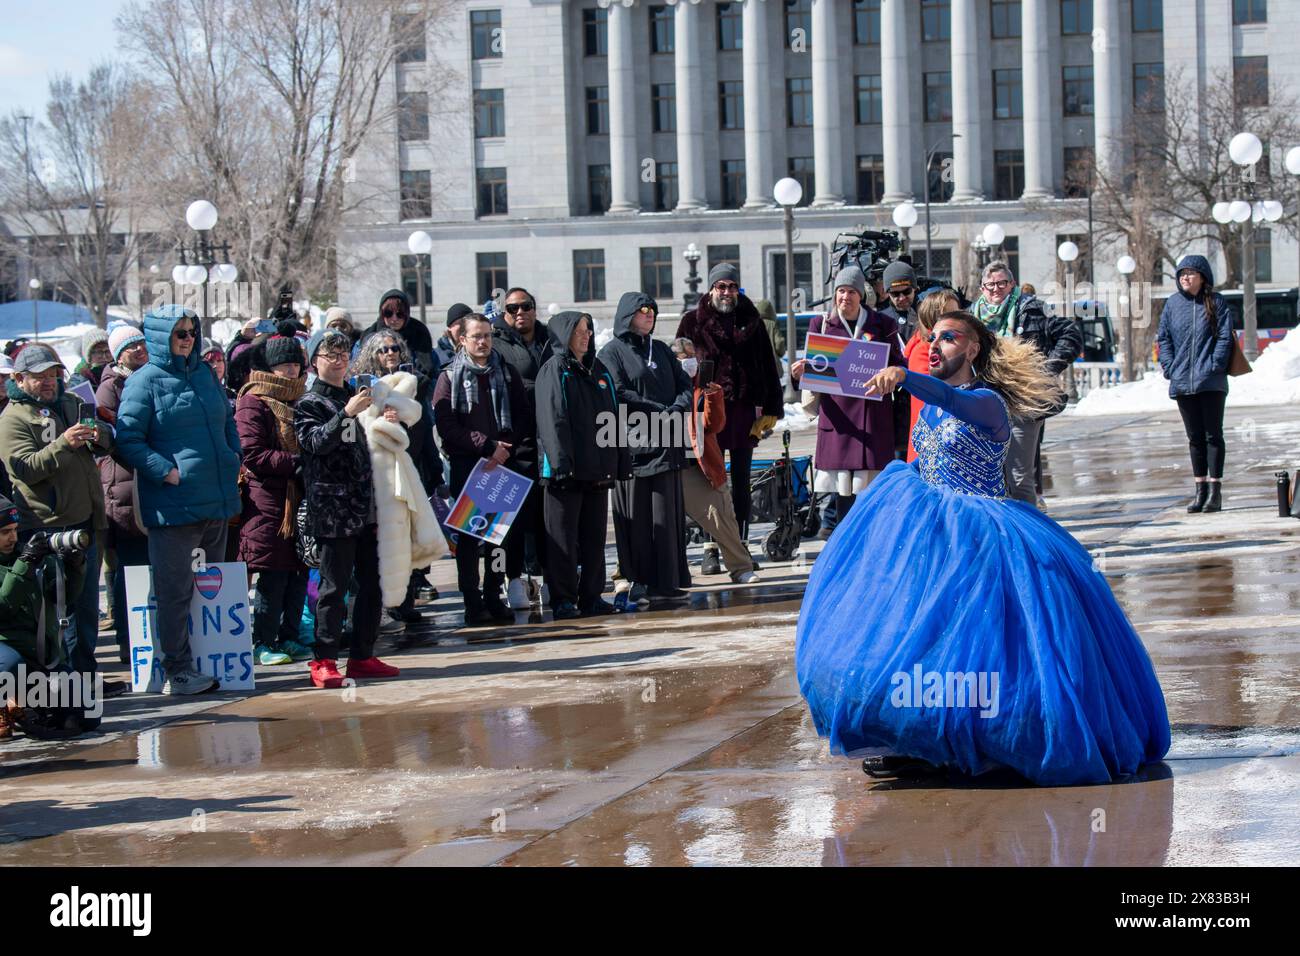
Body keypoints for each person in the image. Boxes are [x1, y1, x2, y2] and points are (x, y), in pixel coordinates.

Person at [796, 310, 1170, 786]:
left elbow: (950, 397)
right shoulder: (929, 405)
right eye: (931, 338)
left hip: (984, 535)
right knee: (916, 635)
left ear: (972, 349)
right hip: (930, 530)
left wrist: (905, 375)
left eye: (949, 339)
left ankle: (989, 737)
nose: (935, 345)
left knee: (983, 644)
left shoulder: (986, 402)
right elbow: (924, 456)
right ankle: (915, 740)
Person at [115, 306, 242, 696]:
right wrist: (165, 470)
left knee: (212, 591)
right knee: (174, 593)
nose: (187, 339)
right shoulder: (144, 382)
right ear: (159, 338)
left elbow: (226, 423)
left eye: (191, 331)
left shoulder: (205, 374)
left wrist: (231, 454)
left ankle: (214, 659)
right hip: (173, 508)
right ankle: (177, 668)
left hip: (215, 501)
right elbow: (127, 440)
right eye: (179, 334)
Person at [0, 343, 117, 690]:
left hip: (86, 519)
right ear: (21, 379)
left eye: (54, 375)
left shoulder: (69, 403)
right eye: (41, 377)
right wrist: (64, 443)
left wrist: (99, 435)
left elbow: (108, 443)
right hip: (48, 527)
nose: (50, 382)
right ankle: (65, 683)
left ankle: (86, 677)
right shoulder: (11, 419)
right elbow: (25, 468)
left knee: (86, 610)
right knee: (58, 610)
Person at [294, 329, 400, 687]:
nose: (339, 361)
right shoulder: (310, 401)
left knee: (372, 584)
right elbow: (313, 443)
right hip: (332, 510)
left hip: (366, 505)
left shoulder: (357, 394)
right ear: (314, 361)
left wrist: (385, 423)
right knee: (333, 587)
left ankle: (362, 655)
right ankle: (323, 659)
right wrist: (345, 414)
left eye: (343, 355)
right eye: (330, 355)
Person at [675, 264, 784, 551]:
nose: (726, 292)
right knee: (712, 479)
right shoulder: (691, 322)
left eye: (732, 286)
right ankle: (712, 546)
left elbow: (769, 368)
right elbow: (677, 366)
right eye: (721, 286)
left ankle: (741, 543)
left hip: (742, 411)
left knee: (741, 479)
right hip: (707, 410)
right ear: (711, 289)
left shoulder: (753, 321)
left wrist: (772, 407)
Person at [433, 314, 532, 626]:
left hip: (502, 463)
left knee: (498, 539)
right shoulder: (449, 376)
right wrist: (485, 446)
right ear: (462, 339)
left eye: (487, 335)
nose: (483, 341)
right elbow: (446, 426)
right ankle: (472, 600)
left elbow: (523, 415)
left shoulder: (506, 371)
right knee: (469, 538)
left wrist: (506, 446)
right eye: (476, 336)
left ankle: (493, 594)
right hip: (468, 465)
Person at [790, 266, 904, 529]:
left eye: (851, 291)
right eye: (841, 291)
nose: (845, 297)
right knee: (842, 495)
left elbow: (900, 365)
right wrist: (800, 372)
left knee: (871, 494)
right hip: (839, 423)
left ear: (860, 295)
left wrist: (891, 372)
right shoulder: (821, 324)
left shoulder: (882, 324)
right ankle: (843, 545)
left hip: (871, 422)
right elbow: (813, 369)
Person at [535, 311, 630, 619]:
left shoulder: (598, 369)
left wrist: (619, 459)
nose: (586, 335)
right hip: (566, 472)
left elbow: (613, 418)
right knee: (562, 539)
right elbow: (553, 419)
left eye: (588, 330)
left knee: (594, 539)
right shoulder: (555, 370)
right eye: (579, 331)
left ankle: (592, 595)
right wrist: (562, 464)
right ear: (564, 335)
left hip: (597, 470)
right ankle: (563, 598)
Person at [599, 292, 693, 601]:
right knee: (639, 519)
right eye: (642, 311)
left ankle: (666, 581)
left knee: (665, 517)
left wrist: (677, 409)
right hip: (633, 445)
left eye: (652, 310)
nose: (649, 315)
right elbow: (619, 392)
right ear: (627, 315)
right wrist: (658, 410)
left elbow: (685, 385)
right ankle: (638, 580)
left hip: (667, 443)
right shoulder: (611, 352)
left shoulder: (662, 349)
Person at [351, 331, 443, 641]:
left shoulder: (409, 382)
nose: (389, 353)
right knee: (379, 541)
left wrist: (434, 467)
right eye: (382, 350)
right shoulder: (363, 385)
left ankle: (401, 601)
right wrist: (382, 414)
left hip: (405, 466)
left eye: (394, 348)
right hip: (373, 471)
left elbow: (420, 418)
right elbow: (360, 422)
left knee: (404, 534)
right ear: (371, 355)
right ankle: (382, 607)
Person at [971, 260, 1081, 506]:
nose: (996, 289)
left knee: (1020, 477)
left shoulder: (1033, 309)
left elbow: (1070, 334)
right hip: (983, 403)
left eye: (1002, 283)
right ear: (982, 289)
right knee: (991, 476)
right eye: (990, 285)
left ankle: (1029, 536)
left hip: (1021, 403)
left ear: (1012, 284)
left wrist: (1044, 370)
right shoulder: (971, 318)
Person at [235, 334, 314, 666]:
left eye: (295, 365)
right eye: (284, 366)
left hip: (298, 497)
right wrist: (297, 463)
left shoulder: (300, 399)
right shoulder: (253, 400)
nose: (291, 372)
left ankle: (290, 636)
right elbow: (252, 453)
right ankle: (262, 641)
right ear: (269, 367)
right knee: (273, 573)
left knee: (298, 569)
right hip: (266, 499)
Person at [0, 495, 100, 739]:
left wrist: (74, 565)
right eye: (4, 532)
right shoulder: (25, 560)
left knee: (88, 715)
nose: (12, 538)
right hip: (9, 659)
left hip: (36, 659)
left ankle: (26, 707)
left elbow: (62, 597)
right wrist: (25, 565)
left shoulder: (23, 555)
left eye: (14, 530)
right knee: (8, 665)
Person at [671, 338, 759, 584]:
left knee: (721, 515)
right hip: (668, 463)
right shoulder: (664, 385)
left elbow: (715, 425)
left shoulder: (703, 387)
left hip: (700, 463)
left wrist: (713, 396)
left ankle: (741, 568)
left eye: (691, 357)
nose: (687, 362)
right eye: (681, 357)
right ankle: (670, 573)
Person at [1157, 255, 1236, 514]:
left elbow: (1225, 336)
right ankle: (1199, 490)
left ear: (1203, 276)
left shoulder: (1216, 301)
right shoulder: (1172, 304)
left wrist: (1215, 364)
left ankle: (1215, 491)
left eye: (1190, 273)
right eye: (1181, 274)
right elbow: (1164, 338)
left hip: (1210, 380)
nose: (1185, 278)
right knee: (1194, 438)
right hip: (1182, 381)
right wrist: (1169, 367)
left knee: (1213, 435)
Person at [492, 287, 555, 608]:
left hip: (548, 439)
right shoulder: (496, 342)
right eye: (513, 307)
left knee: (546, 514)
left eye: (526, 306)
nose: (520, 312)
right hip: (512, 442)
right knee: (509, 518)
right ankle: (512, 579)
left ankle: (547, 579)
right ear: (504, 311)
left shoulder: (549, 338)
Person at [95, 324, 151, 666]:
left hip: (146, 484)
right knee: (129, 570)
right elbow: (111, 437)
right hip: (123, 487)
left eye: (142, 343)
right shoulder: (109, 387)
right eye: (132, 346)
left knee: (147, 566)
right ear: (119, 354)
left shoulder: (149, 378)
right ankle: (128, 642)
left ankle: (146, 637)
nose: (140, 350)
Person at [902, 289, 961, 462]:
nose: (957, 319)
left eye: (958, 312)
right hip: (930, 446)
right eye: (950, 314)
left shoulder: (952, 345)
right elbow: (929, 395)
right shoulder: (922, 350)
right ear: (934, 318)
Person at [878, 261, 921, 462]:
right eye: (896, 294)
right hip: (893, 403)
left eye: (907, 291)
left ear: (915, 288)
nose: (902, 298)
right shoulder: (880, 321)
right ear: (887, 293)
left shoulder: (926, 315)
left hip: (920, 394)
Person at [359, 289, 436, 377]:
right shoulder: (370, 335)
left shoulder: (420, 333)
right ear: (382, 314)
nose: (394, 319)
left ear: (407, 314)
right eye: (388, 313)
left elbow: (429, 368)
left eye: (400, 314)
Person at [436, 304, 471, 370]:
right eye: (461, 323)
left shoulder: (480, 352)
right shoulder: (436, 356)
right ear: (450, 327)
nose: (465, 327)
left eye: (469, 324)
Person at [754, 299, 787, 367]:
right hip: (772, 364)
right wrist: (780, 354)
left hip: (756, 365)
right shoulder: (772, 324)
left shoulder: (753, 324)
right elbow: (779, 342)